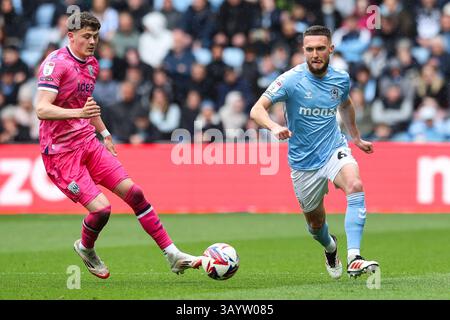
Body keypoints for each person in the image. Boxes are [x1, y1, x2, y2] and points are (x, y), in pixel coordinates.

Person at [34, 11, 201, 279]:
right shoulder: (56, 64)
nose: (92, 42)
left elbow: (86, 107)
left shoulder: (92, 65)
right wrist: (78, 115)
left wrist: (105, 132)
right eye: (86, 36)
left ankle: (172, 254)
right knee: (102, 210)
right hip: (61, 153)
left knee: (135, 193)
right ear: (71, 36)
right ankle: (86, 248)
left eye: (96, 37)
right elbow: (42, 109)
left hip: (87, 142)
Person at [250, 25, 379, 279]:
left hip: (334, 149)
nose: (315, 54)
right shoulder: (290, 80)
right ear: (303, 50)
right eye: (310, 49)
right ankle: (330, 247)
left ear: (331, 49)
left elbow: (346, 103)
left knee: (354, 184)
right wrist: (275, 127)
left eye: (321, 48)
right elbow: (256, 110)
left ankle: (355, 257)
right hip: (303, 163)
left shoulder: (340, 78)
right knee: (316, 226)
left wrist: (356, 137)